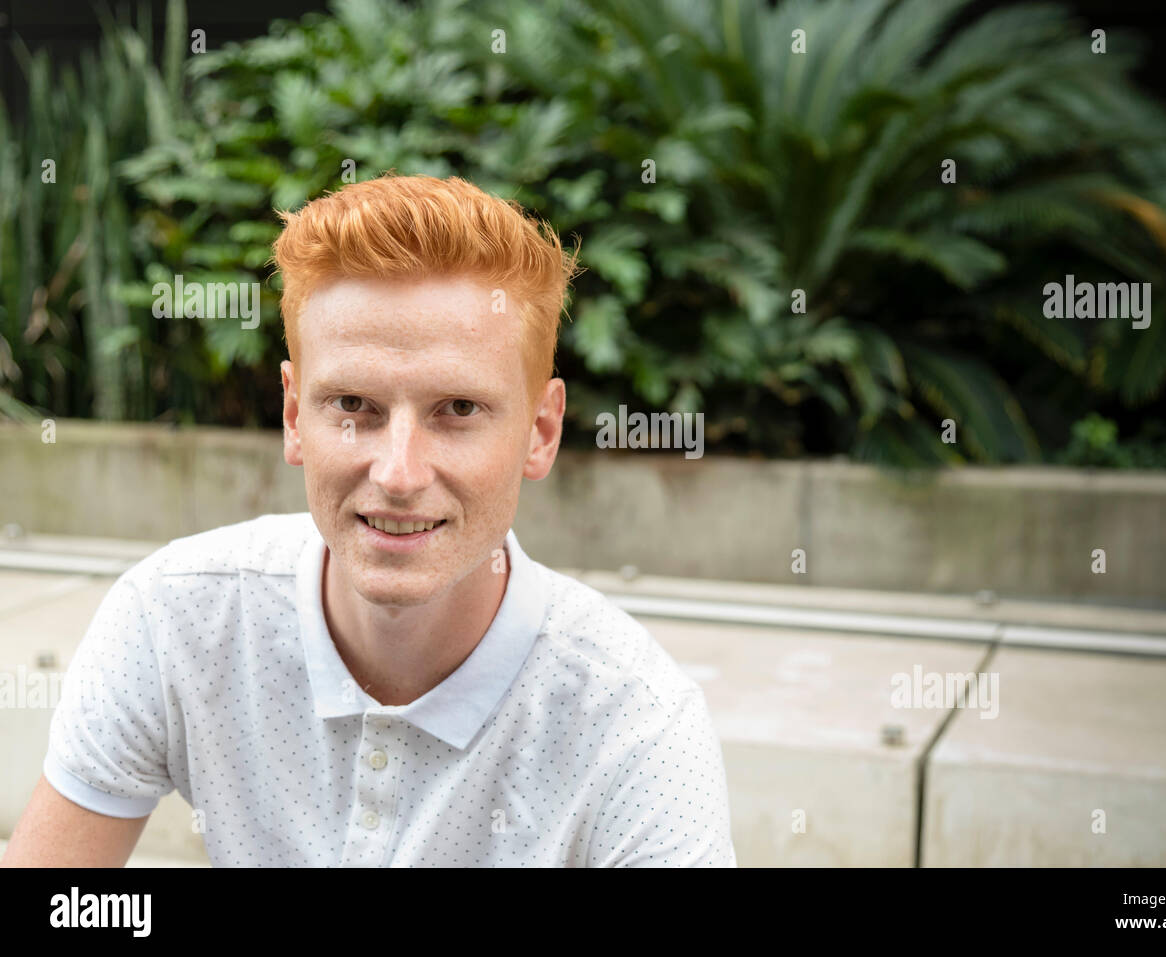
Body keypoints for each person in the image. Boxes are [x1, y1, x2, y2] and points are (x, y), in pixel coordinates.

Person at [1, 175, 737, 867]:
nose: (398, 473)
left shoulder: (638, 727)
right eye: (354, 406)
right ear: (294, 415)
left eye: (458, 409)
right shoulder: (176, 618)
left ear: (541, 431)